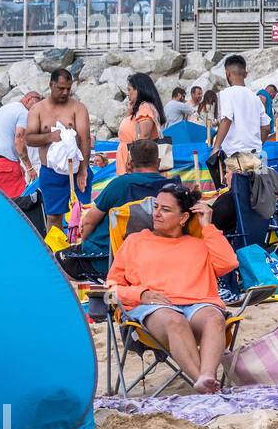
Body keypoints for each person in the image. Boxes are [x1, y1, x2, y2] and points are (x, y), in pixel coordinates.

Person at [107, 183, 239, 394]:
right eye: (156, 207)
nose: (156, 213)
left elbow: (228, 263)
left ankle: (207, 376)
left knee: (215, 318)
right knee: (174, 320)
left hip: (198, 305)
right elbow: (111, 287)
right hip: (153, 310)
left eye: (165, 210)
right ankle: (204, 384)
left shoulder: (199, 244)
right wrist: (141, 294)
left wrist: (207, 226)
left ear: (184, 218)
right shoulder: (135, 241)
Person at [77, 139, 170, 277]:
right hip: (158, 256)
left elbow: (89, 221)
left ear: (130, 163)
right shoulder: (171, 188)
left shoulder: (121, 184)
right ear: (158, 162)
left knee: (59, 262)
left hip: (109, 258)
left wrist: (83, 244)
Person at [25, 68, 92, 231]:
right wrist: (49, 137)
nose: (65, 92)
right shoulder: (38, 110)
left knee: (83, 214)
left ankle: (82, 251)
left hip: (76, 169)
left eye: (68, 88)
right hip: (51, 172)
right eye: (61, 88)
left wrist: (83, 170)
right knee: (54, 216)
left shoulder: (78, 108)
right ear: (51, 85)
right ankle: (55, 252)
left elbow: (85, 138)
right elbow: (29, 139)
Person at [212, 54, 270, 178]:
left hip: (235, 155)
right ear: (246, 74)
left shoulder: (226, 94)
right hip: (257, 155)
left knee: (238, 193)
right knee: (258, 192)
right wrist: (258, 144)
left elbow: (226, 120)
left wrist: (216, 147)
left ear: (227, 74)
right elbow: (266, 127)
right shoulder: (256, 98)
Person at [0, 91, 42, 198]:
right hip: (3, 164)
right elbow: (19, 138)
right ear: (29, 99)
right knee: (21, 200)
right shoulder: (24, 112)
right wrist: (29, 168)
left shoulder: (5, 108)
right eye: (37, 105)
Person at [116, 72, 165, 176]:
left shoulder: (144, 108)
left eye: (129, 89)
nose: (127, 93)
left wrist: (132, 159)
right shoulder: (143, 108)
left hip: (137, 164)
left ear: (138, 89)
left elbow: (144, 138)